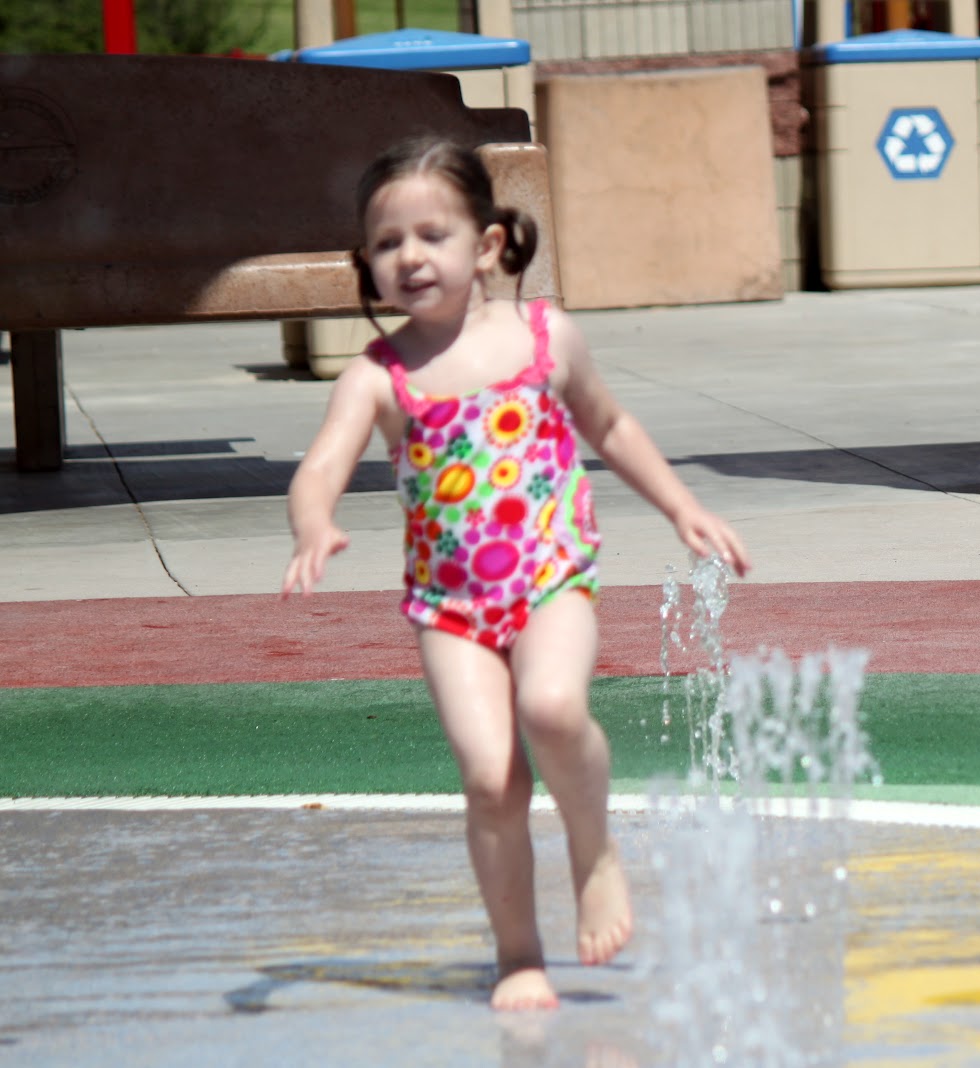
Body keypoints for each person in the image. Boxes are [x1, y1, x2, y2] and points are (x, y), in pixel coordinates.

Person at [280, 137, 751, 1011]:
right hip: (450, 609)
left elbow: (609, 428)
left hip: (551, 579)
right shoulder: (378, 377)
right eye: (388, 244)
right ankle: (518, 954)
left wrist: (682, 507)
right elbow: (318, 468)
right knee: (491, 778)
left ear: (488, 245)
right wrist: (316, 522)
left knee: (552, 707)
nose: (410, 257)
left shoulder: (545, 337)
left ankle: (595, 849)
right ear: (366, 266)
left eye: (431, 234)